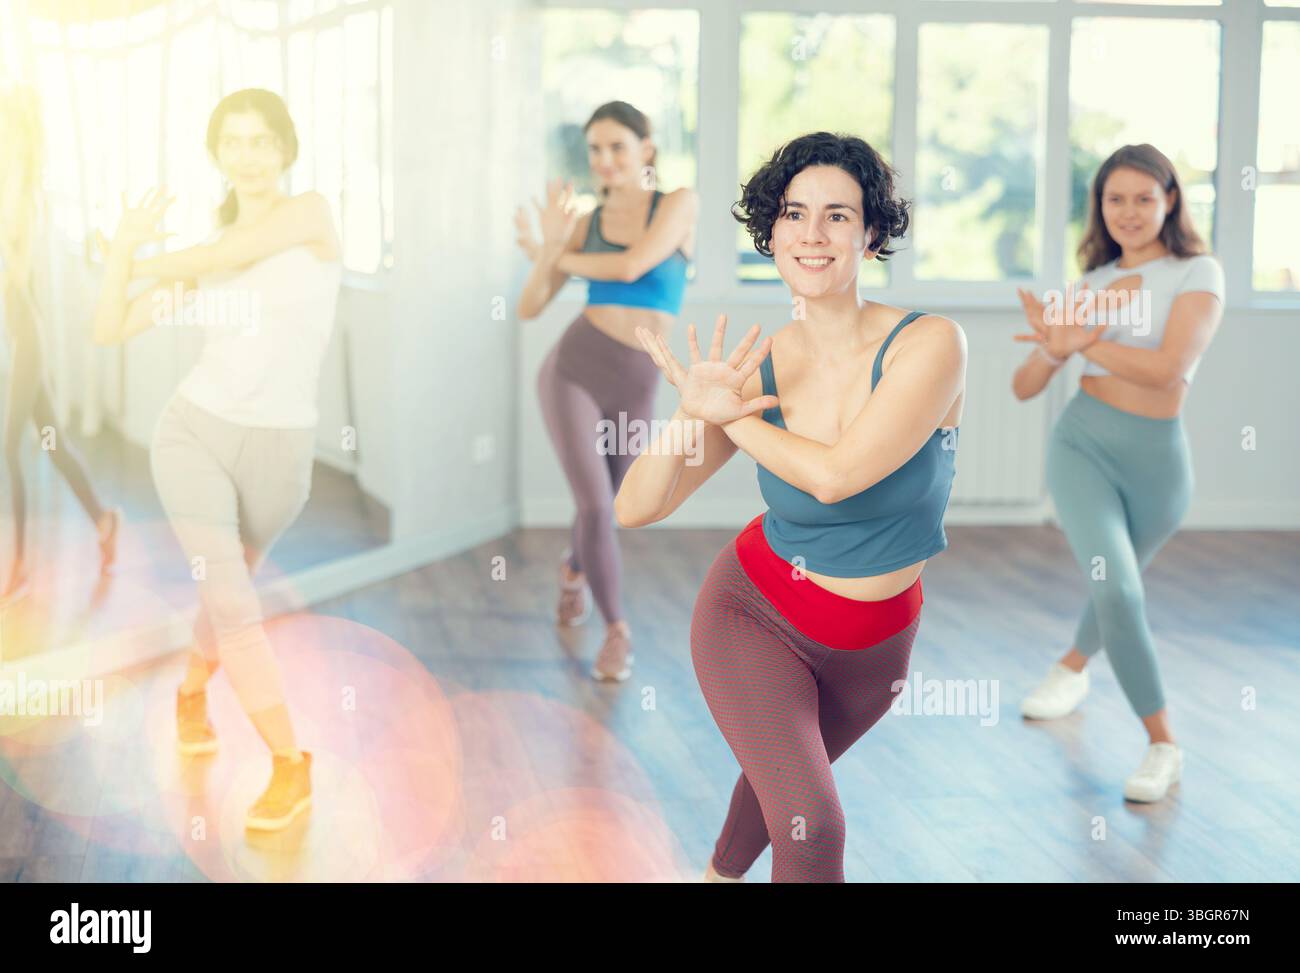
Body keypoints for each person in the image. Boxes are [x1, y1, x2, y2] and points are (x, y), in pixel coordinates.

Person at [615, 132, 965, 881]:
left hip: (877, 649)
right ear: (769, 233)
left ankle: (715, 874)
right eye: (794, 213)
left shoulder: (930, 344)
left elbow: (839, 476)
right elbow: (636, 506)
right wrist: (691, 412)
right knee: (815, 827)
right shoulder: (760, 364)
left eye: (837, 215)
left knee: (785, 795)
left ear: (872, 232)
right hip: (754, 614)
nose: (812, 233)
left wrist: (732, 417)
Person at [91, 89, 342, 831]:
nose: (248, 154)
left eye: (262, 140)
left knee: (223, 597)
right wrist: (121, 257)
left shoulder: (312, 216)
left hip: (282, 451)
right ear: (217, 154)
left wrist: (138, 254)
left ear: (285, 150)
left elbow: (229, 254)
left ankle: (191, 688)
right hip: (194, 433)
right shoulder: (203, 248)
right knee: (233, 601)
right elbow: (111, 327)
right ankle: (291, 765)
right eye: (232, 141)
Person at [1012, 143, 1225, 803]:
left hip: (1160, 464)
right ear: (1098, 207)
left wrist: (1085, 343)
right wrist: (1054, 351)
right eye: (1114, 198)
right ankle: (1164, 744)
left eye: (1143, 197)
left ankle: (1071, 666)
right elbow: (1025, 386)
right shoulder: (1089, 286)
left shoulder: (1197, 273)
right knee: (1121, 591)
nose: (1128, 211)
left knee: (1117, 586)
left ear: (1169, 202)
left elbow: (1169, 368)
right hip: (1084, 448)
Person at [516, 100, 697, 681]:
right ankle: (618, 632)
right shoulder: (581, 222)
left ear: (647, 148)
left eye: (618, 146)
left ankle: (573, 569)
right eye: (595, 149)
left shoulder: (677, 204)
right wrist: (548, 250)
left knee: (616, 506)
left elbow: (632, 266)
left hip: (637, 377)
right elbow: (528, 307)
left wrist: (550, 252)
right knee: (594, 503)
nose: (605, 159)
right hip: (575, 366)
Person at [0, 81, 120, 604]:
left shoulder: (22, 197)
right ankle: (104, 518)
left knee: (8, 447)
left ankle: (19, 566)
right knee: (51, 441)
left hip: (22, 333)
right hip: (18, 333)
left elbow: (17, 273)